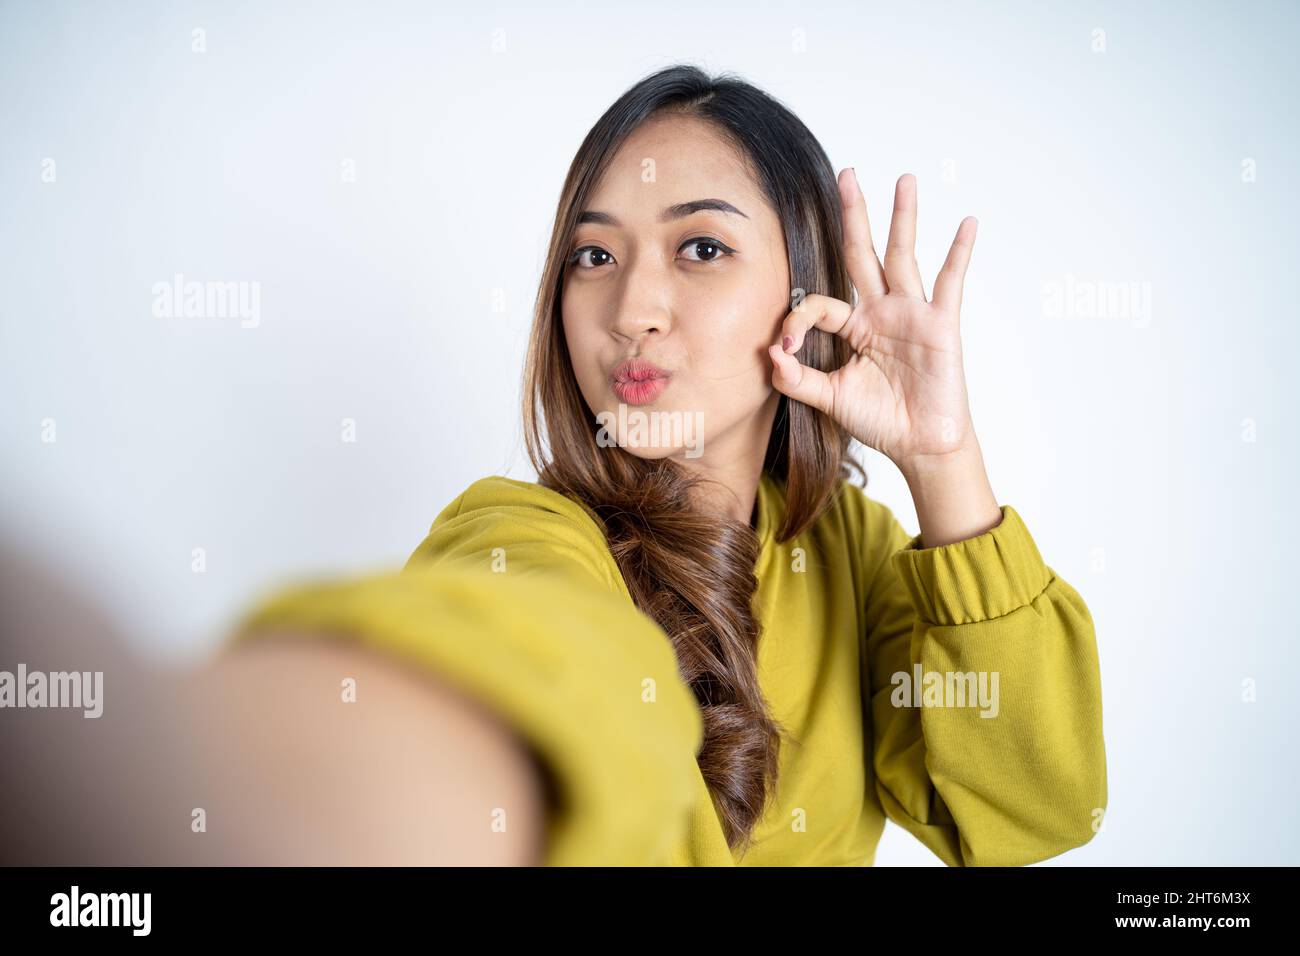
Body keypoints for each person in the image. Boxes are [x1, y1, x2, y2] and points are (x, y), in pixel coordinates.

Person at [157, 63, 1106, 867]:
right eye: (593, 255)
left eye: (701, 247)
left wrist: (944, 461)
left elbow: (1034, 810)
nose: (633, 308)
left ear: (806, 293)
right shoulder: (519, 538)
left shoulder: (850, 549)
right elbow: (540, 674)